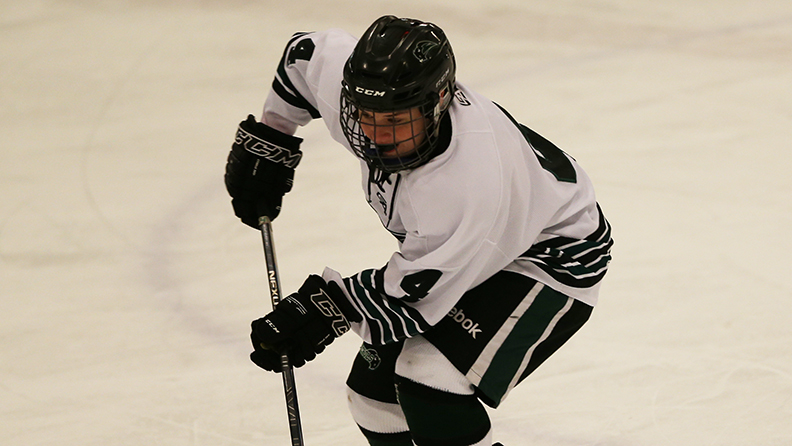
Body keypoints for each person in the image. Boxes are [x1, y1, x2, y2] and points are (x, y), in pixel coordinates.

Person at [224, 15, 612, 446]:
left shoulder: (465, 185)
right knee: (374, 399)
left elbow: (411, 295)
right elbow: (304, 56)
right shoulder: (365, 98)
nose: (374, 136)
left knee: (428, 379)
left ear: (438, 102)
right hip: (468, 248)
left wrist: (322, 310)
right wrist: (272, 137)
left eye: (395, 121)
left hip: (550, 255)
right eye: (366, 116)